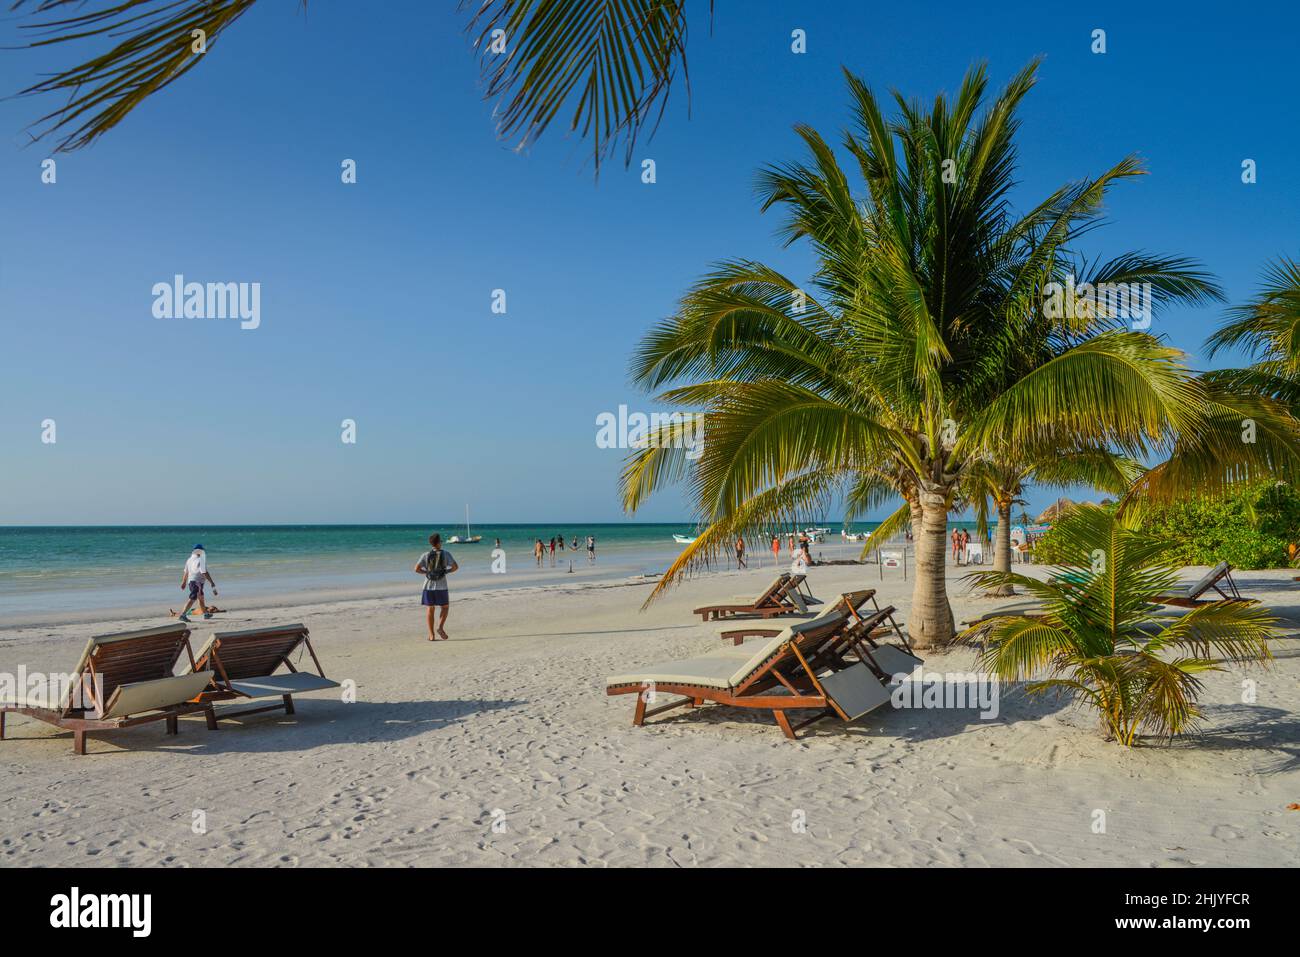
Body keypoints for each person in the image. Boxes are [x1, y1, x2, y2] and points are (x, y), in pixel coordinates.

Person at [414, 533, 458, 641]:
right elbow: (455, 567)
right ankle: (440, 627)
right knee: (445, 607)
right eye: (441, 541)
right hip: (441, 585)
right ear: (438, 543)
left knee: (430, 609)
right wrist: (446, 571)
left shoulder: (425, 555)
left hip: (428, 585)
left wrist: (427, 573)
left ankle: (431, 635)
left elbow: (416, 569)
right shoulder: (446, 554)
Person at [177, 543, 217, 622]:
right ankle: (183, 615)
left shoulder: (189, 560)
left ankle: (206, 614)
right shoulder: (200, 560)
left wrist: (184, 582)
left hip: (192, 581)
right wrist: (212, 582)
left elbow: (186, 572)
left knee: (201, 598)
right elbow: (204, 572)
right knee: (192, 598)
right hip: (197, 582)